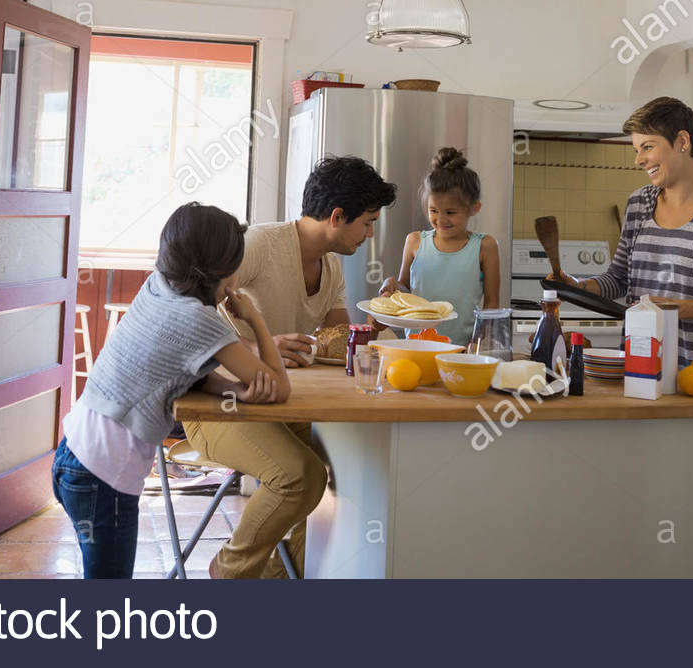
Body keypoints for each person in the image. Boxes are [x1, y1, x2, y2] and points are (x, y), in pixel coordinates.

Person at [182, 155, 397, 578]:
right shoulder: (262, 244)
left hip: (280, 402)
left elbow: (338, 343)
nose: (370, 234)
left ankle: (280, 580)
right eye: (368, 222)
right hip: (218, 401)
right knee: (302, 476)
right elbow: (190, 308)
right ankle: (229, 572)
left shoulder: (331, 266)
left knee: (338, 470)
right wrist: (258, 348)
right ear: (337, 216)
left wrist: (383, 319)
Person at [51, 203, 290, 578]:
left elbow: (178, 369)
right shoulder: (200, 321)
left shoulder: (158, 286)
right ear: (223, 270)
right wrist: (255, 319)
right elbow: (278, 387)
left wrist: (231, 389)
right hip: (104, 479)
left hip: (74, 455)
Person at [557, 97, 693, 387]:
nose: (638, 159)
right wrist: (580, 288)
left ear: (682, 142)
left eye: (648, 147)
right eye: (636, 150)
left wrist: (676, 310)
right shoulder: (638, 204)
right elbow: (620, 279)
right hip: (642, 374)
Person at [379, 147, 501, 346]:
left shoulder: (485, 246)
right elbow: (405, 288)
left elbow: (492, 303)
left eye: (450, 212)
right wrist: (392, 285)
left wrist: (479, 340)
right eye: (433, 210)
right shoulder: (415, 241)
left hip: (462, 349)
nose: (440, 219)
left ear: (474, 208)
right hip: (416, 345)